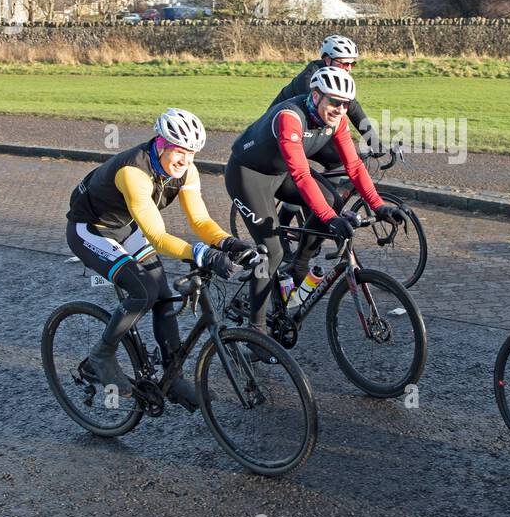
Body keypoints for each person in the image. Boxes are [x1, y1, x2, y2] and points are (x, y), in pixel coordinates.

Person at [66, 108, 256, 403]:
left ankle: (173, 377)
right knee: (143, 291)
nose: (186, 160)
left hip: (127, 229)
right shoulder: (134, 172)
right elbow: (157, 236)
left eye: (192, 153)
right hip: (92, 230)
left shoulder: (186, 170)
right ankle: (101, 356)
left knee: (164, 296)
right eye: (180, 151)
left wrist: (229, 243)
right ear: (161, 143)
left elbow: (200, 221)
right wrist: (201, 254)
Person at [225, 67, 406, 335]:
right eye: (334, 101)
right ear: (316, 94)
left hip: (279, 173)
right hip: (248, 175)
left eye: (345, 104)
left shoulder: (338, 121)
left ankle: (299, 263)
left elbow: (354, 167)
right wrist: (330, 220)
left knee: (332, 199)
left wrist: (379, 205)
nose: (340, 109)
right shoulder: (290, 117)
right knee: (271, 252)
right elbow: (300, 173)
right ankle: (256, 330)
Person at [269, 34, 386, 221]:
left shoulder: (336, 80)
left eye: (352, 64)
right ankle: (290, 219)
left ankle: (318, 206)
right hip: (284, 133)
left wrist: (373, 140)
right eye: (344, 63)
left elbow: (353, 108)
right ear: (327, 60)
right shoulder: (311, 81)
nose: (348, 69)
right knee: (302, 176)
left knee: (337, 161)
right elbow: (322, 120)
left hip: (309, 131)